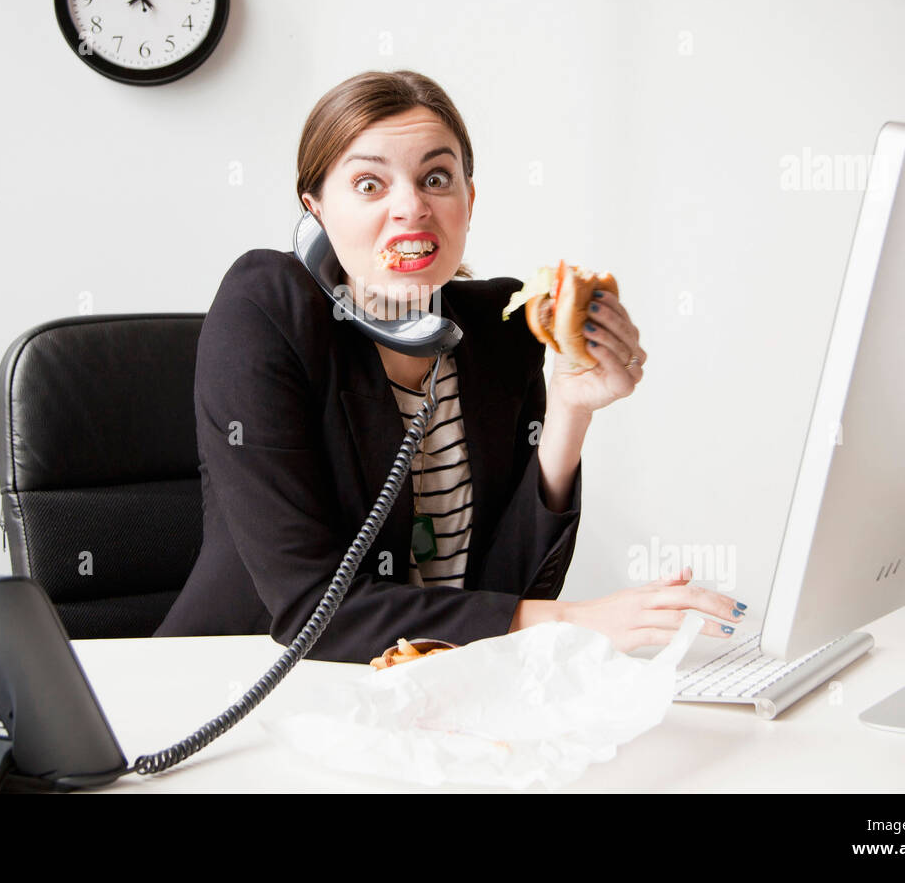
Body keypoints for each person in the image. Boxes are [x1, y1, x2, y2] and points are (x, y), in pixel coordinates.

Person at [154, 69, 745, 661]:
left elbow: (508, 594)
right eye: (368, 184)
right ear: (316, 210)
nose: (411, 206)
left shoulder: (501, 326)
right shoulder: (265, 308)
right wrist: (580, 622)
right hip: (238, 681)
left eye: (436, 177)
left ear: (469, 199)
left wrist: (569, 411)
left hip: (424, 688)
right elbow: (312, 609)